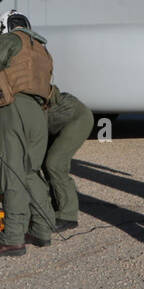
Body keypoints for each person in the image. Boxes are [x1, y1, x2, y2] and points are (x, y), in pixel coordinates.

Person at [0, 10, 56, 256]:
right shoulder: (41, 48)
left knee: (10, 172)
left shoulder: (9, 40)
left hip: (12, 109)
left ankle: (12, 238)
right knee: (30, 172)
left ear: (2, 28)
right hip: (38, 113)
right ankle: (42, 230)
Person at [43, 84, 93, 231]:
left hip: (77, 119)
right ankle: (53, 207)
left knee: (55, 163)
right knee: (43, 163)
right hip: (56, 124)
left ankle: (68, 215)